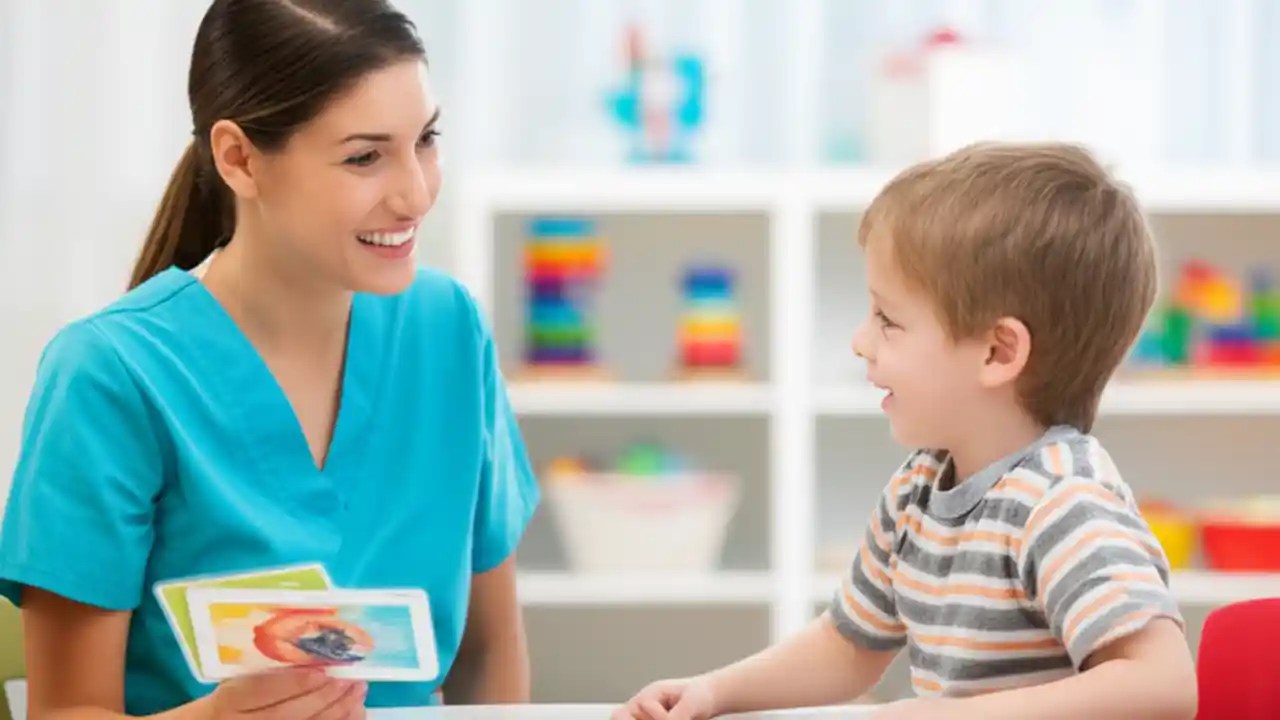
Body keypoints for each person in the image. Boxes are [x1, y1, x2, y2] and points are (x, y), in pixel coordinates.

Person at [0, 1, 540, 717]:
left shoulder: (448, 331)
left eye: (427, 139)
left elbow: (488, 657)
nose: (415, 192)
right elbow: (66, 711)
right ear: (240, 159)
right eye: (364, 157)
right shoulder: (110, 374)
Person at [615, 143, 1198, 720]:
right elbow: (848, 647)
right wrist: (715, 692)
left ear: (997, 352)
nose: (860, 340)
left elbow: (1163, 684)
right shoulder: (918, 486)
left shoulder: (1063, 503)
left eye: (888, 320)